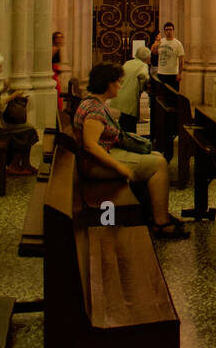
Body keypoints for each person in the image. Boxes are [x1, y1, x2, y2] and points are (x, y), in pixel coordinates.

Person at [75, 62, 187, 238]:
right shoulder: (94, 110)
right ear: (108, 84)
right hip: (96, 164)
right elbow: (91, 146)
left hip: (105, 154)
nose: (120, 86)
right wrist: (120, 168)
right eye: (118, 82)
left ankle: (152, 211)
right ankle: (161, 222)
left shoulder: (92, 102)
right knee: (159, 164)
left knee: (156, 155)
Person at [115, 45, 151, 133]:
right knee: (130, 123)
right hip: (131, 95)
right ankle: (129, 141)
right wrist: (143, 86)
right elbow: (144, 76)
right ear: (146, 58)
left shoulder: (128, 62)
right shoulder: (143, 65)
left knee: (123, 118)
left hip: (122, 92)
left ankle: (121, 137)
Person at [154, 22, 184, 90]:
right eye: (167, 30)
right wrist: (156, 44)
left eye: (170, 30)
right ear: (164, 31)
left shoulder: (178, 44)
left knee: (173, 94)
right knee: (161, 94)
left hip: (172, 74)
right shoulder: (161, 41)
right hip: (161, 73)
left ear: (173, 31)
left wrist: (179, 74)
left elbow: (181, 60)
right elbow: (155, 53)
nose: (169, 32)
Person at [51, 31, 65, 111]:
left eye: (61, 37)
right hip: (53, 73)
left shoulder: (57, 48)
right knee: (57, 93)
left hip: (55, 72)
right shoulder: (54, 48)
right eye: (58, 37)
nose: (60, 39)